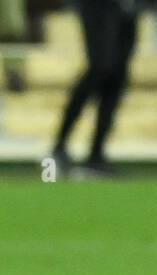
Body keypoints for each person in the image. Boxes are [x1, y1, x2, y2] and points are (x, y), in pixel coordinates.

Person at [50, 0, 143, 176]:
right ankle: (59, 146)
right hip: (99, 6)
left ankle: (96, 154)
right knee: (101, 66)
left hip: (129, 7)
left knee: (118, 75)